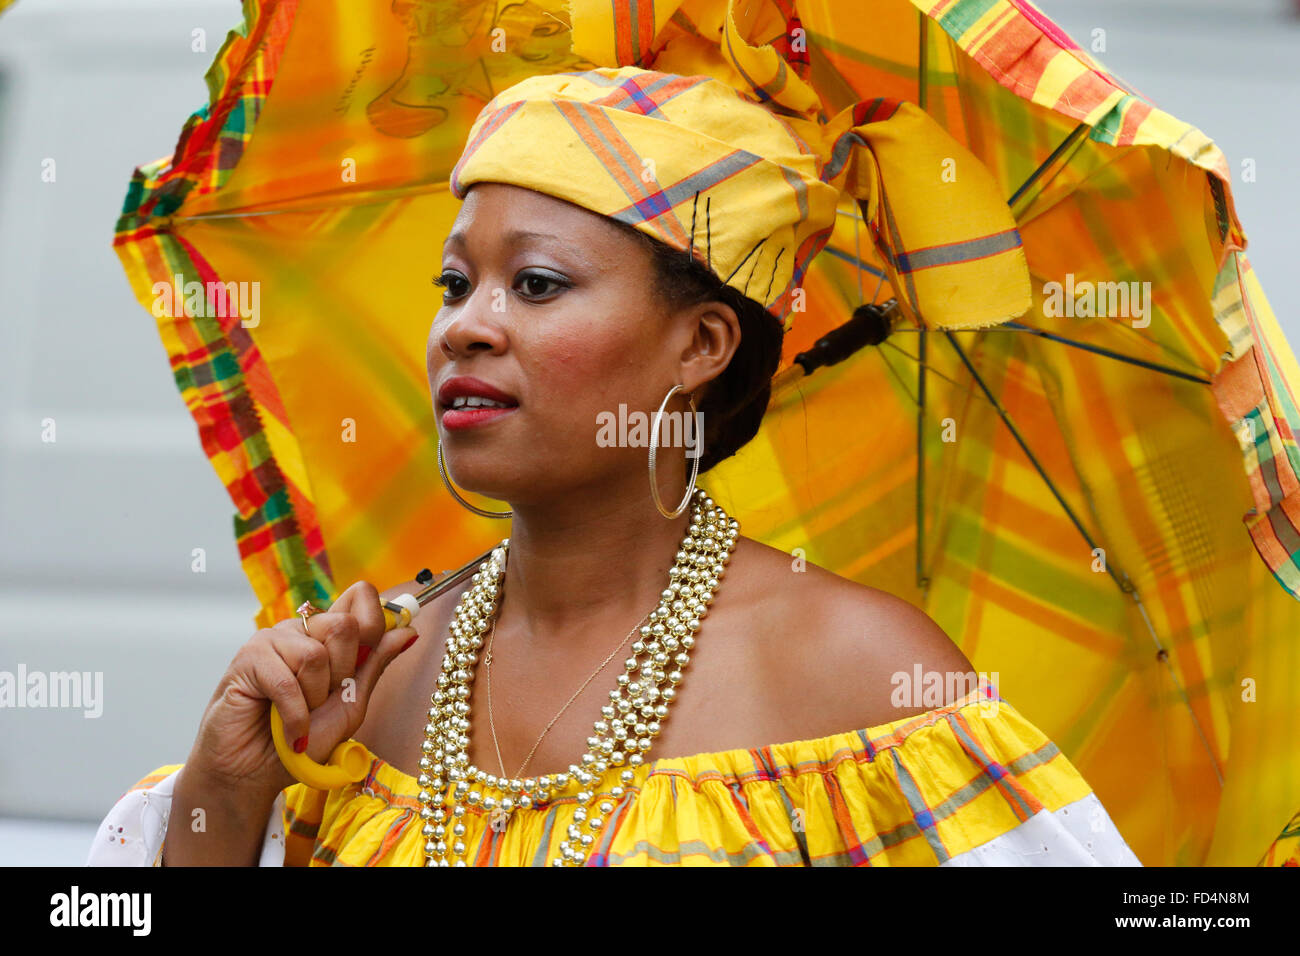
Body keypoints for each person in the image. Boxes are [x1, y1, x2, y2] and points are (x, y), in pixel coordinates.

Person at [87, 64, 1141, 867]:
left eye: (536, 284)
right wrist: (223, 794)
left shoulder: (857, 675)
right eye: (455, 284)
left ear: (702, 344)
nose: (466, 328)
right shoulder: (366, 680)